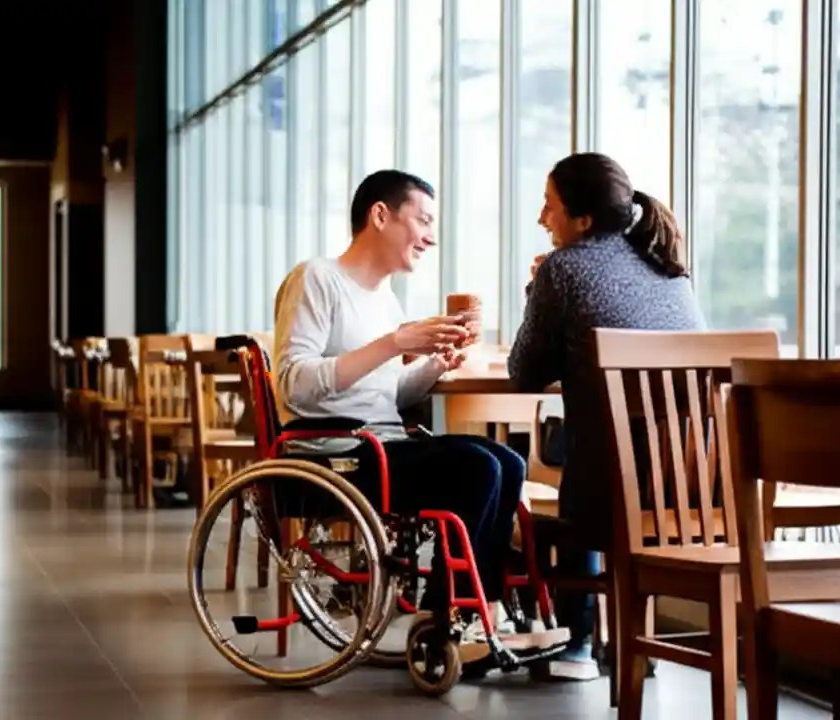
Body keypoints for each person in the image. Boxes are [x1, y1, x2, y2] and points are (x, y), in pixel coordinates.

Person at [273, 169, 528, 639]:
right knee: (477, 467)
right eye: (424, 220)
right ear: (380, 215)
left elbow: (387, 397)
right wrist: (394, 342)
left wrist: (434, 365)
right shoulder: (316, 278)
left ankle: (481, 606)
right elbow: (292, 385)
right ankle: (446, 614)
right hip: (335, 455)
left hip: (379, 444)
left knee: (508, 462)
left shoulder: (385, 298)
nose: (431, 238)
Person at [509, 152, 705, 679]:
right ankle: (610, 647)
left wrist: (539, 290)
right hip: (691, 498)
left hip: (608, 500)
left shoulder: (563, 269)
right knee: (596, 449)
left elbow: (523, 374)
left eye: (548, 207)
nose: (540, 219)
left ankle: (565, 642)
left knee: (558, 480)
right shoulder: (669, 267)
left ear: (582, 221)